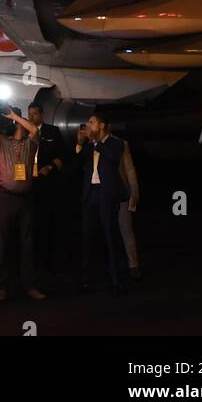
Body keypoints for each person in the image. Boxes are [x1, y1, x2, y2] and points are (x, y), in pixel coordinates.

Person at [0, 105, 45, 302]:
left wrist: (15, 115)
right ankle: (2, 286)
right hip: (6, 198)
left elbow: (34, 130)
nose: (23, 123)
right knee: (4, 244)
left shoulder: (30, 142)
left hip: (25, 199)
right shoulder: (1, 141)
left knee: (27, 243)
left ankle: (29, 285)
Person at [75, 110, 128, 293]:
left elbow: (113, 158)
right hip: (90, 194)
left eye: (91, 122)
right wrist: (80, 144)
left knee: (110, 236)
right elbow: (77, 163)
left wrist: (95, 142)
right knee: (87, 237)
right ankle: (86, 278)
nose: (88, 126)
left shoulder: (116, 143)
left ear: (102, 125)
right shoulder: (90, 145)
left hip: (107, 194)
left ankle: (116, 278)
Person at [28, 102, 65, 274]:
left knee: (47, 223)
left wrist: (50, 166)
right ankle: (31, 259)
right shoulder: (24, 132)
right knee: (30, 224)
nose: (31, 117)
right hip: (29, 184)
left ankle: (49, 260)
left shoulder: (52, 131)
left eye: (35, 113)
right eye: (30, 114)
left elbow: (62, 156)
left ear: (41, 114)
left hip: (47, 183)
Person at [116, 132, 141, 280]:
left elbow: (129, 169)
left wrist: (134, 191)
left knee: (126, 228)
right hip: (103, 195)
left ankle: (133, 264)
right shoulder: (92, 144)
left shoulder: (120, 144)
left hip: (121, 192)